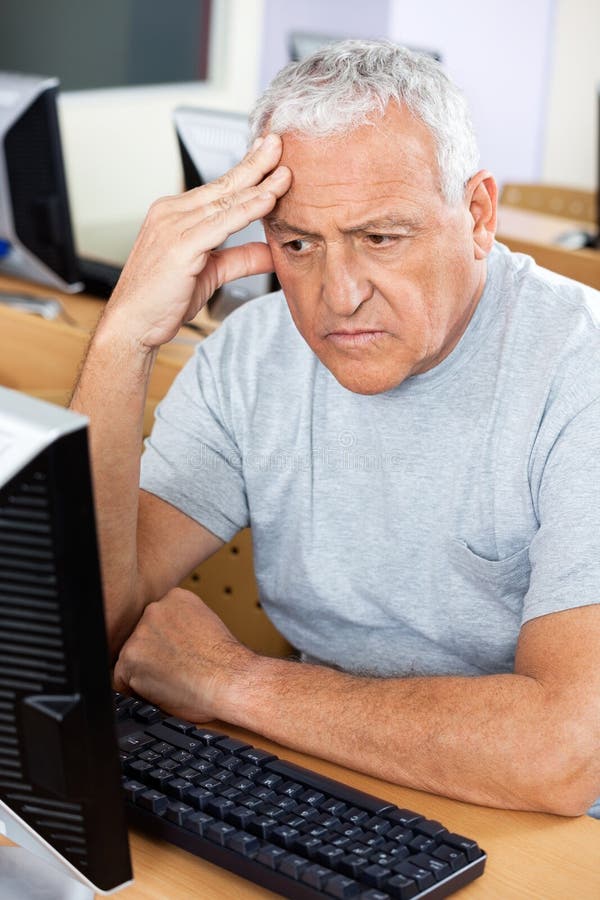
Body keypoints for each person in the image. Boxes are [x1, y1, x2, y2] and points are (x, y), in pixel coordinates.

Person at [71, 40, 600, 817]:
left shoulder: (578, 371)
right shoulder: (251, 356)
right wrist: (124, 340)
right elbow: (83, 621)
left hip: (548, 835)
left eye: (380, 238)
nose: (337, 296)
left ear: (479, 214)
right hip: (337, 781)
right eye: (298, 244)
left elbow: (565, 755)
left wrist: (231, 681)